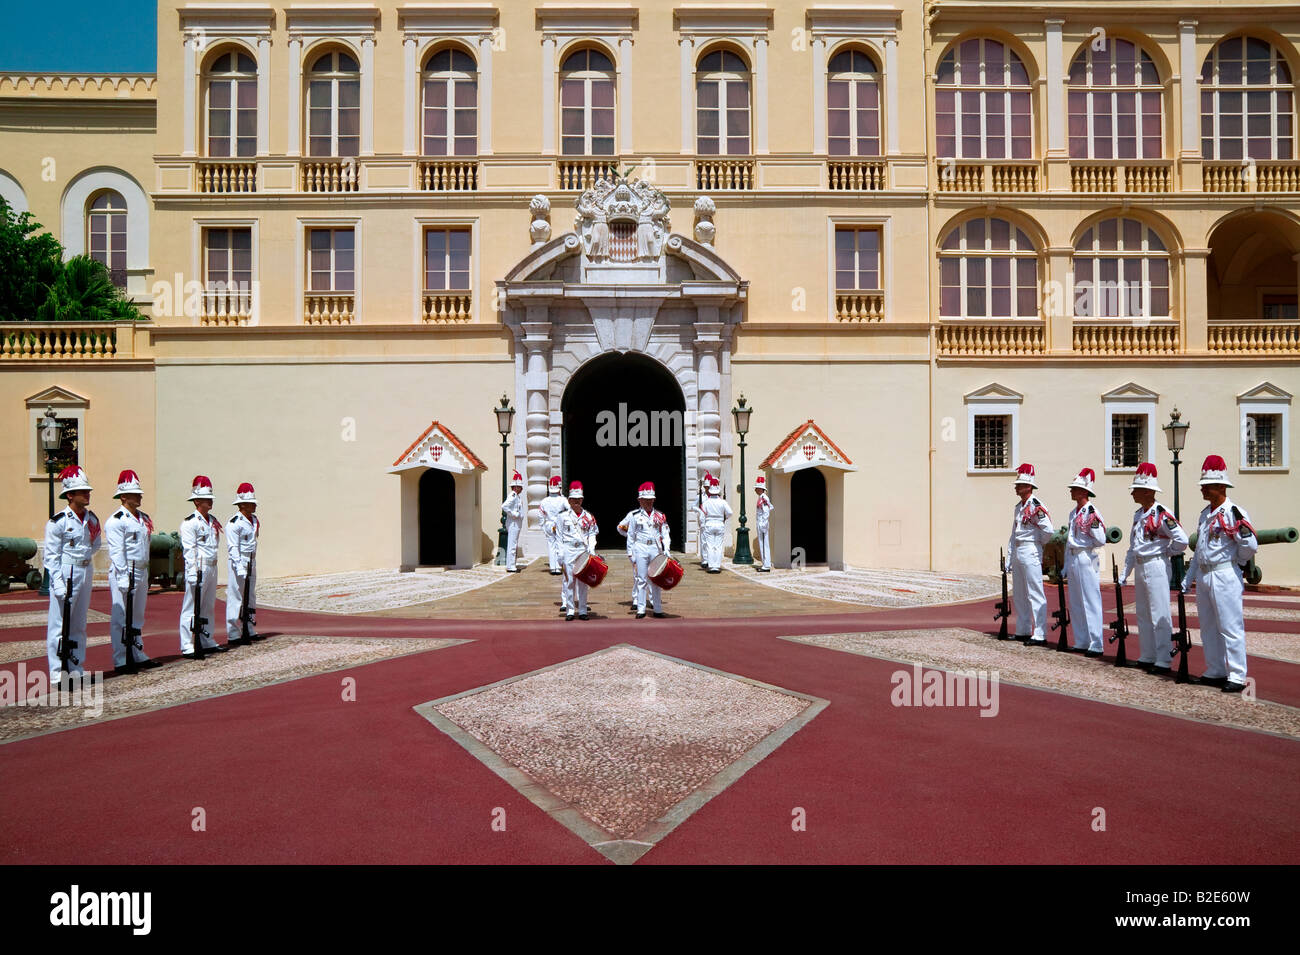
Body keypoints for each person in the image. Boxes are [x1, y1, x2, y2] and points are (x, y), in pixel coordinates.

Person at [1181, 455, 1258, 693]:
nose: (1203, 489)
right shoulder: (1205, 514)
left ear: (1222, 487)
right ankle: (1215, 669)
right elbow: (1200, 550)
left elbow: (1250, 544)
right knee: (1207, 625)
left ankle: (1236, 674)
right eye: (1203, 485)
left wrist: (1239, 561)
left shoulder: (1233, 512)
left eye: (1208, 485)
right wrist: (1189, 577)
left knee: (1230, 625)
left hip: (1224, 573)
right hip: (1205, 574)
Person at [1121, 462, 1188, 674]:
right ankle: (1147, 654)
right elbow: (1133, 547)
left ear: (1148, 491)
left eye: (1136, 489)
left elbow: (1182, 540)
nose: (1132, 493)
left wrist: (1167, 552)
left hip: (1156, 565)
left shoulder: (1162, 513)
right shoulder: (1138, 514)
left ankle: (1163, 658)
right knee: (1142, 612)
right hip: (1141, 565)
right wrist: (1125, 572)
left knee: (1159, 612)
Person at [43, 465, 101, 682]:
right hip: (65, 571)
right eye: (83, 491)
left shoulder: (92, 519)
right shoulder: (58, 522)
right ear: (70, 495)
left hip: (85, 570)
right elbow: (51, 556)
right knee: (59, 624)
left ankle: (76, 668)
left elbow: (95, 545)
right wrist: (57, 584)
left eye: (88, 491)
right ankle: (58, 673)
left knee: (78, 623)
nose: (87, 494)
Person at [105, 469, 159, 672]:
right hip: (125, 571)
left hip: (141, 570)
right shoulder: (116, 520)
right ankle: (121, 658)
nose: (140, 496)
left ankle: (137, 652)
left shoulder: (143, 518)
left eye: (140, 493)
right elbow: (117, 551)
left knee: (137, 616)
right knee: (121, 617)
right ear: (124, 496)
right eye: (135, 494)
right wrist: (123, 575)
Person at [1007, 463, 1054, 644]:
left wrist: (1037, 544)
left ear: (1028, 487)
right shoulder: (1019, 507)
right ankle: (1023, 629)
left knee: (1035, 592)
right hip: (1019, 548)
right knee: (1019, 592)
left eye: (1019, 485)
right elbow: (1014, 532)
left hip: (1031, 548)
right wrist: (1011, 556)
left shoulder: (1036, 505)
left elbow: (1048, 530)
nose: (1016, 488)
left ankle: (1040, 632)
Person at [179, 475, 225, 657]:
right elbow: (189, 550)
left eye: (211, 498)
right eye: (207, 499)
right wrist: (192, 572)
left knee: (207, 606)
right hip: (198, 567)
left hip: (211, 567)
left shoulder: (212, 521)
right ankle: (187, 643)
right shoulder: (190, 523)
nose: (210, 501)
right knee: (191, 606)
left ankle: (206, 638)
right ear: (197, 501)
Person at [1064, 468, 1107, 656]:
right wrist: (1066, 565)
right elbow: (1069, 540)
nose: (1071, 491)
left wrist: (1086, 546)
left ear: (1084, 492)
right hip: (1074, 556)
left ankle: (1096, 642)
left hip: (1086, 556)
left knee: (1090, 599)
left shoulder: (1091, 513)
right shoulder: (1073, 513)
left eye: (1075, 488)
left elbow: (1100, 539)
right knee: (1075, 601)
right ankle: (1081, 640)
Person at [618, 482, 671, 618]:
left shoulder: (660, 515)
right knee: (641, 579)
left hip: (655, 548)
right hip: (640, 548)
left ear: (653, 500)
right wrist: (630, 553)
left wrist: (667, 549)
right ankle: (641, 609)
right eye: (645, 500)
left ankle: (657, 609)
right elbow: (630, 535)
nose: (648, 503)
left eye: (650, 500)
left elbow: (665, 533)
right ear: (640, 500)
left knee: (656, 579)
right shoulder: (635, 516)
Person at [225, 482, 262, 646]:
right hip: (239, 561)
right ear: (241, 504)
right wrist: (239, 567)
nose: (254, 505)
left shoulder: (254, 520)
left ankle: (249, 627)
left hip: (251, 561)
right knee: (236, 596)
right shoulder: (235, 523)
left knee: (250, 596)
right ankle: (233, 632)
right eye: (250, 502)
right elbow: (233, 548)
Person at [558, 481, 598, 621]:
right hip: (569, 549)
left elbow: (593, 533)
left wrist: (591, 549)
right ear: (569, 500)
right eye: (573, 499)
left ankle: (582, 610)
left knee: (582, 582)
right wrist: (560, 554)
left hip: (582, 550)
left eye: (579, 499)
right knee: (570, 581)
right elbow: (559, 537)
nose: (576, 502)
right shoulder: (562, 516)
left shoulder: (588, 516)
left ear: (582, 499)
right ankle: (570, 610)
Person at [697, 475, 733, 572]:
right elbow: (730, 512)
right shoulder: (722, 502)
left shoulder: (706, 503)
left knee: (710, 545)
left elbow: (702, 515)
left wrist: (702, 523)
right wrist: (724, 518)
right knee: (718, 546)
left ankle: (711, 565)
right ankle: (717, 566)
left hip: (709, 524)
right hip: (719, 523)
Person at [538, 475, 567, 575]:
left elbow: (540, 515)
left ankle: (552, 567)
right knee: (559, 545)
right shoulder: (563, 500)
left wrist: (542, 526)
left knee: (551, 546)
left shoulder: (544, 501)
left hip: (549, 524)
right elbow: (569, 510)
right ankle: (558, 567)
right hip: (559, 524)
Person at [500, 471, 525, 572]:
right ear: (515, 487)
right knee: (512, 544)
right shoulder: (513, 495)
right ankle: (510, 566)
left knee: (514, 544)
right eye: (520, 486)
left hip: (516, 523)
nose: (521, 488)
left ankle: (512, 564)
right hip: (513, 523)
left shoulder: (517, 496)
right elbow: (504, 506)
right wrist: (513, 514)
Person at [754, 475, 774, 571]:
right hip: (761, 522)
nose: (756, 490)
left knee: (764, 543)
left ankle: (766, 565)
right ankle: (765, 564)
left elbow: (766, 511)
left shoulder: (764, 498)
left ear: (761, 489)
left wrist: (763, 523)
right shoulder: (761, 497)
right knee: (762, 543)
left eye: (757, 488)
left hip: (762, 523)